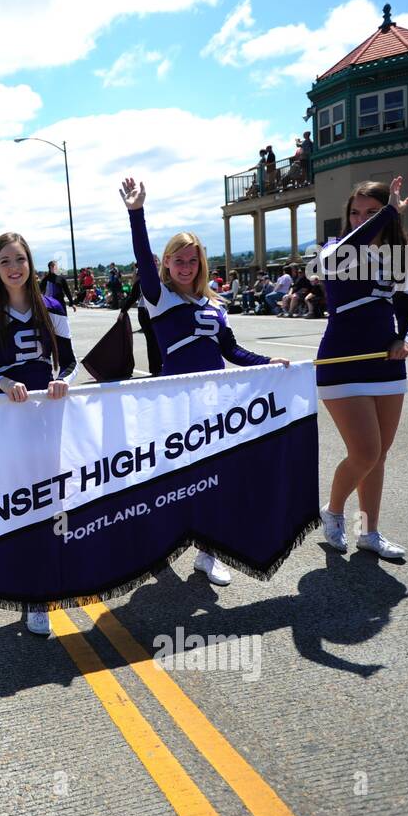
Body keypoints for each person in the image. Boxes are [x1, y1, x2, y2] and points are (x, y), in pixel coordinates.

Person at [119, 176, 289, 586]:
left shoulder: (214, 306)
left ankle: (207, 553)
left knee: (212, 477)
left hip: (212, 404)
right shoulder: (159, 298)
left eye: (193, 261)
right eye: (179, 260)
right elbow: (141, 256)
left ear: (201, 264)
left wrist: (269, 362)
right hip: (173, 404)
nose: (186, 266)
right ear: (167, 263)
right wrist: (136, 212)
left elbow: (233, 351)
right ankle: (157, 543)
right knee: (172, 478)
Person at [0, 232, 78, 636]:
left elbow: (70, 362)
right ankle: (33, 594)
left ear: (31, 263)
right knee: (24, 506)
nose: (14, 268)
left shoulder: (52, 306)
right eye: (5, 261)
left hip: (48, 417)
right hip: (10, 423)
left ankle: (49, 580)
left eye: (21, 260)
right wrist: (1, 383)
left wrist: (62, 379)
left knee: (52, 501)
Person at [313, 176, 408, 559]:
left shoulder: (398, 256)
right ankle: (333, 510)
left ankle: (370, 533)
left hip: (386, 365)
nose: (361, 219)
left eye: (370, 212)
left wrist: (404, 341)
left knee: (380, 454)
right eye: (355, 212)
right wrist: (388, 211)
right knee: (365, 451)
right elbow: (345, 250)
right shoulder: (333, 250)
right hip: (342, 363)